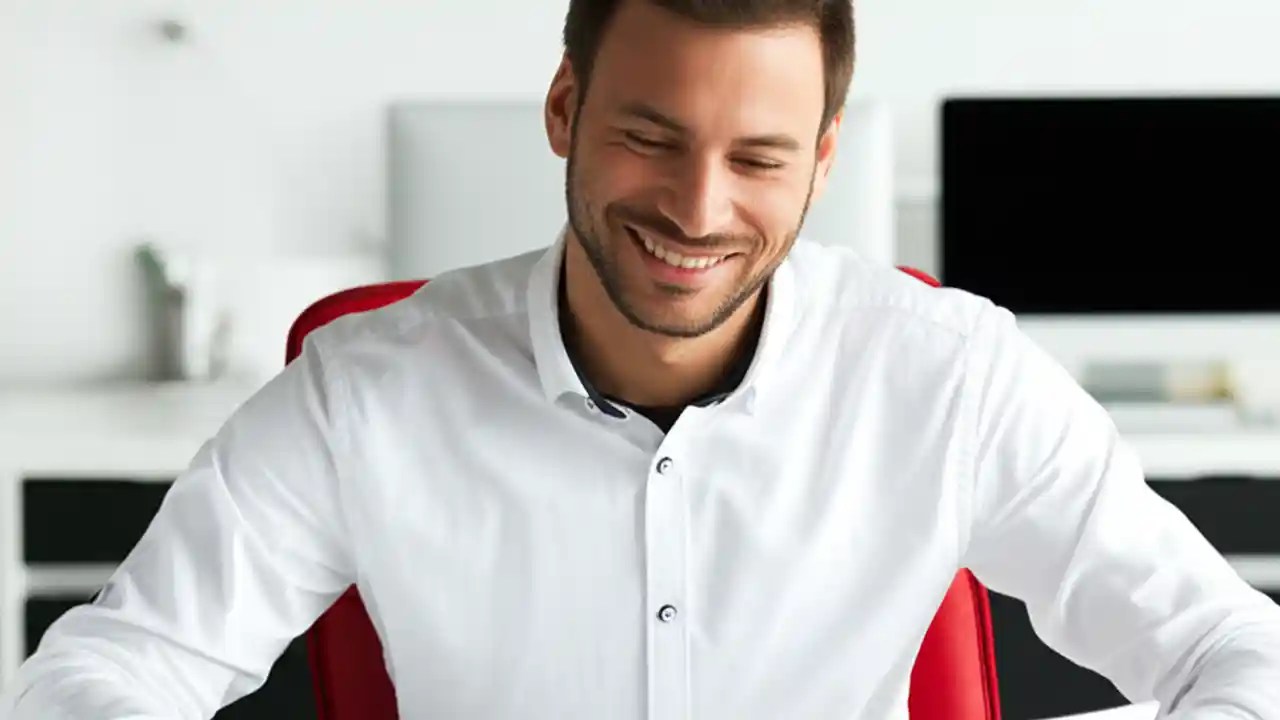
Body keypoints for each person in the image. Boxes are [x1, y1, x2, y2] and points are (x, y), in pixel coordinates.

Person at [5, 1, 1280, 717]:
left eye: (760, 158)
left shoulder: (946, 375)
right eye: (649, 138)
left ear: (824, 159)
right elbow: (113, 669)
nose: (698, 207)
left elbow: (1235, 657)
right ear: (564, 109)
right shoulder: (367, 392)